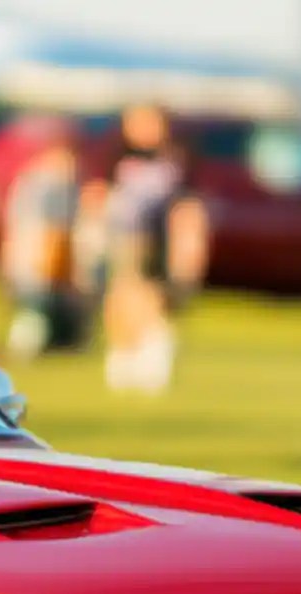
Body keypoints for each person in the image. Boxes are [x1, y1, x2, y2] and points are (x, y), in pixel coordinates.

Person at [100, 103, 206, 393]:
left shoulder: (176, 159)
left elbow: (188, 204)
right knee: (122, 294)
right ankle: (123, 354)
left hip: (158, 237)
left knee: (151, 295)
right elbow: (98, 194)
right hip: (124, 235)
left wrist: (189, 244)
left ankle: (152, 354)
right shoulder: (115, 155)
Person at [0, 119, 81, 360]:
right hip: (36, 250)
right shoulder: (47, 181)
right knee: (34, 302)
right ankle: (29, 343)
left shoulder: (41, 179)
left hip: (35, 250)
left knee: (39, 302)